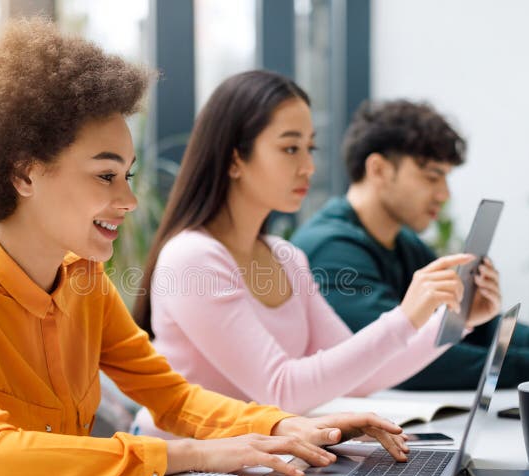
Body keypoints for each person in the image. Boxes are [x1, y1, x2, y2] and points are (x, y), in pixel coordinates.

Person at [0, 21, 410, 476]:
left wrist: (292, 426)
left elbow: (176, 400)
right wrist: (193, 455)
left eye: (128, 175)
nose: (129, 200)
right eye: (105, 175)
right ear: (24, 173)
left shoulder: (84, 284)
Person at [130, 71, 501, 438]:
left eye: (311, 148)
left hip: (255, 461)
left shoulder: (285, 257)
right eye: (290, 148)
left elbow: (363, 376)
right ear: (235, 160)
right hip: (183, 473)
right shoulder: (192, 257)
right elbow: (279, 390)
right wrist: (405, 316)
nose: (308, 166)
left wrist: (455, 322)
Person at [291, 99, 529, 390]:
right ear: (378, 169)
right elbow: (399, 361)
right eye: (432, 177)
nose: (444, 194)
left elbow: (465, 327)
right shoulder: (331, 249)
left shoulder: (402, 243)